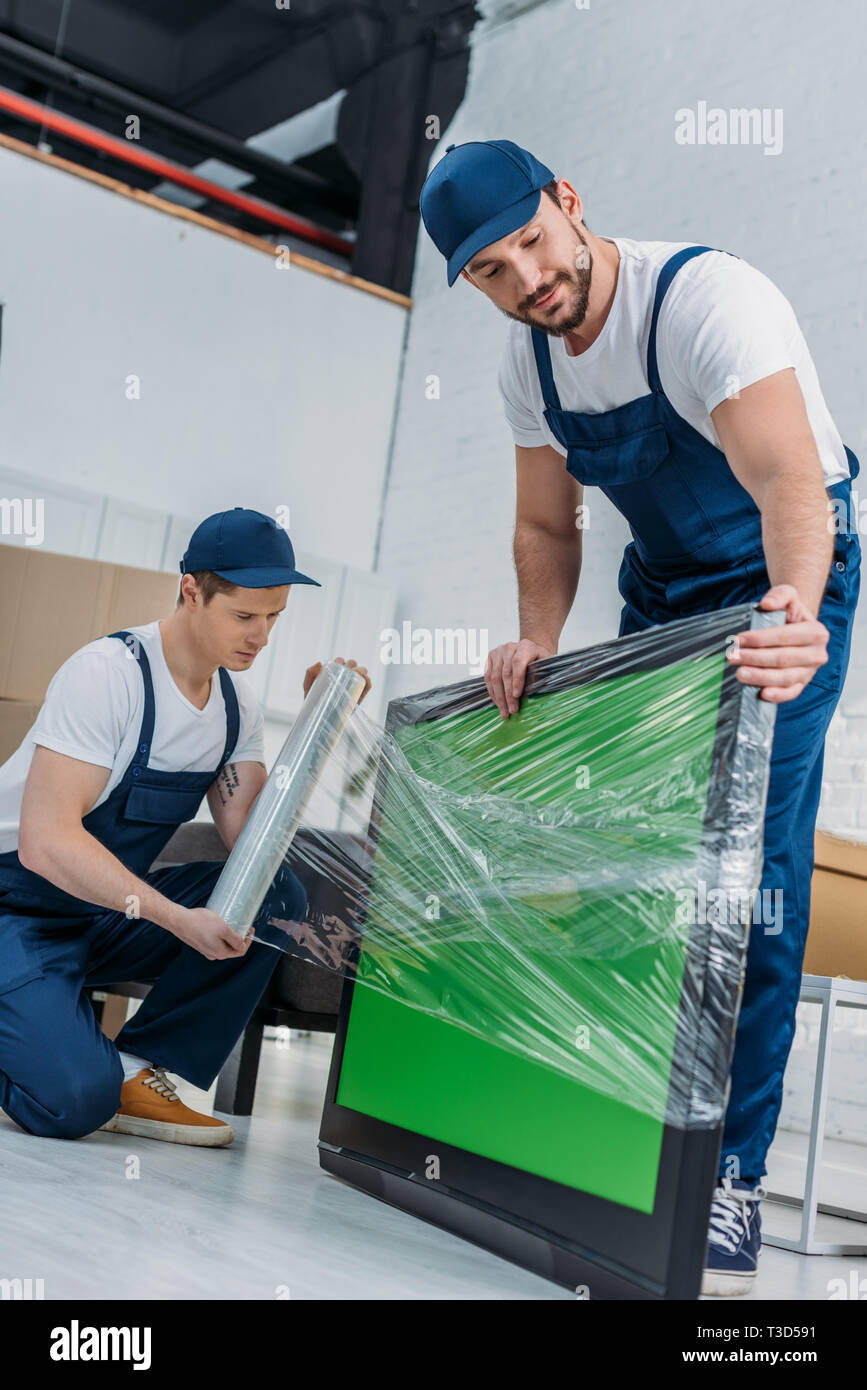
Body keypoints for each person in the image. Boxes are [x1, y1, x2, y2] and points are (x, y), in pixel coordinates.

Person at [419, 139, 861, 1295]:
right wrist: (535, 638)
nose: (526, 279)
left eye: (531, 242)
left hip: (787, 572)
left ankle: (733, 1179)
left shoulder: (705, 301)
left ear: (569, 203)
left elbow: (788, 488)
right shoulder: (532, 366)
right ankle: (619, 1137)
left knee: (753, 867)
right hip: (665, 590)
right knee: (631, 852)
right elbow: (548, 527)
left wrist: (798, 613)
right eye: (492, 272)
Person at [0, 507, 370, 1148]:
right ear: (191, 590)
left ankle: (140, 1070)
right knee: (73, 1103)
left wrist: (321, 722)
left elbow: (252, 845)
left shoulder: (234, 708)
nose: (261, 636)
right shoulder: (108, 675)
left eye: (274, 617)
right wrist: (175, 918)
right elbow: (46, 841)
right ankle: (73, 1064)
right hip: (17, 909)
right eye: (244, 615)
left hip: (101, 915)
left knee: (276, 894)